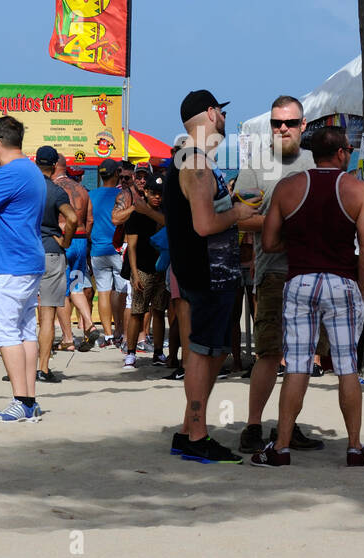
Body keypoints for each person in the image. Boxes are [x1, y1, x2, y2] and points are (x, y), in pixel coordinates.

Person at [252, 127, 364, 467]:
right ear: (341, 153)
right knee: (347, 367)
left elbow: (268, 243)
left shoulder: (288, 187)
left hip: (301, 280)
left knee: (296, 366)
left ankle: (280, 447)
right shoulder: (358, 189)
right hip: (341, 281)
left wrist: (299, 247)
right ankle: (354, 448)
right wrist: (358, 283)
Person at [164, 90, 253, 464]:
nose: (225, 121)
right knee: (202, 353)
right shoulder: (196, 163)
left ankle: (189, 430)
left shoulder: (187, 157)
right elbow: (203, 225)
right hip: (206, 273)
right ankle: (197, 436)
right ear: (213, 113)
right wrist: (238, 212)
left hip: (203, 271)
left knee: (211, 353)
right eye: (222, 113)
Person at [234, 95, 326, 453]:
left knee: (302, 358)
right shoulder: (255, 165)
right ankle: (253, 427)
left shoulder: (315, 164)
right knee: (269, 354)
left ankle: (288, 426)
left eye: (289, 122)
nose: (282, 128)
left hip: (310, 274)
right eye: (276, 123)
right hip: (273, 274)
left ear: (303, 126)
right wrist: (285, 229)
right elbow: (241, 217)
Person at [0, 116, 47, 423]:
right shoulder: (31, 170)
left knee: (5, 333)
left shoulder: (10, 172)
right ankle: (29, 399)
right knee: (24, 331)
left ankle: (22, 401)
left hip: (8, 265)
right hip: (26, 262)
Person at [33, 146, 77, 384]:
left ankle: (20, 367)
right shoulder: (55, 191)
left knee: (22, 315)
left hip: (24, 254)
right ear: (54, 166)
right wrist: (66, 240)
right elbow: (71, 217)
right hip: (50, 250)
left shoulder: (24, 188)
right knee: (47, 315)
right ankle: (43, 368)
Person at [53, 153, 99, 351]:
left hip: (63, 240)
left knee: (61, 292)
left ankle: (68, 339)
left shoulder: (53, 188)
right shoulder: (82, 189)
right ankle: (88, 323)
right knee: (77, 286)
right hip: (80, 241)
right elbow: (90, 220)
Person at [124, 173, 169, 370]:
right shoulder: (136, 215)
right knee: (137, 312)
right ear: (146, 192)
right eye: (154, 193)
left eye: (161, 193)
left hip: (162, 269)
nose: (157, 197)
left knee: (159, 312)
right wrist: (134, 273)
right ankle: (131, 353)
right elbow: (131, 246)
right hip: (142, 268)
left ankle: (158, 352)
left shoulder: (166, 213)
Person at [88, 158, 129, 346]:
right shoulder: (122, 195)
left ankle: (107, 334)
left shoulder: (91, 195)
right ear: (117, 174)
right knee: (121, 291)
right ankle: (120, 329)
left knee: (104, 291)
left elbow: (88, 221)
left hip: (97, 248)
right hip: (117, 248)